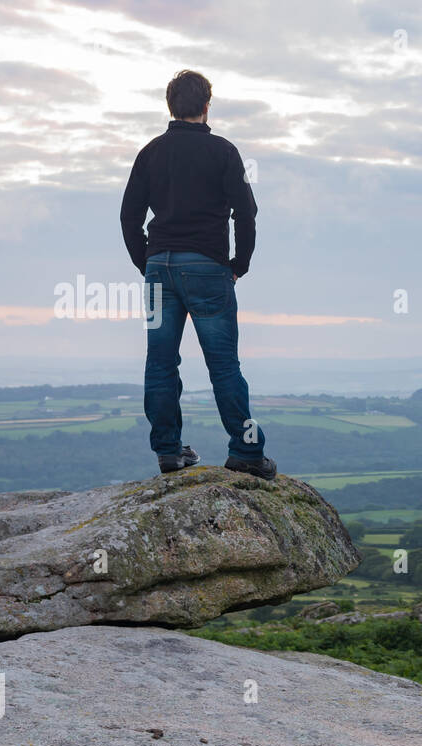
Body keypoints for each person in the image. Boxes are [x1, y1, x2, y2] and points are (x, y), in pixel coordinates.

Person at [121, 69, 277, 480]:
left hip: (160, 270)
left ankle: (169, 452)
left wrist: (147, 263)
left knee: (159, 363)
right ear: (207, 105)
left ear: (170, 105)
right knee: (223, 365)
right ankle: (246, 452)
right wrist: (238, 265)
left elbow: (128, 215)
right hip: (207, 268)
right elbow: (246, 212)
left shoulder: (150, 152)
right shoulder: (224, 152)